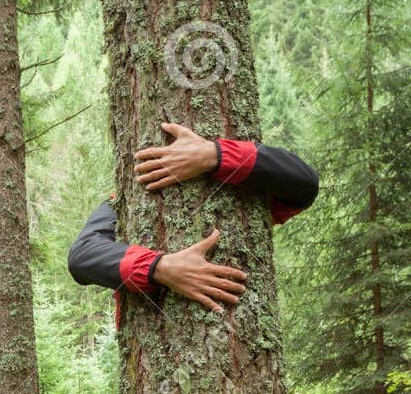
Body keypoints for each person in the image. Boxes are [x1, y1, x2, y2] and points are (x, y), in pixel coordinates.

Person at [67, 123, 319, 315]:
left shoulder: (251, 190)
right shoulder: (127, 200)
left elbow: (304, 184)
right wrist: (160, 267)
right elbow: (82, 256)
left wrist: (213, 155)